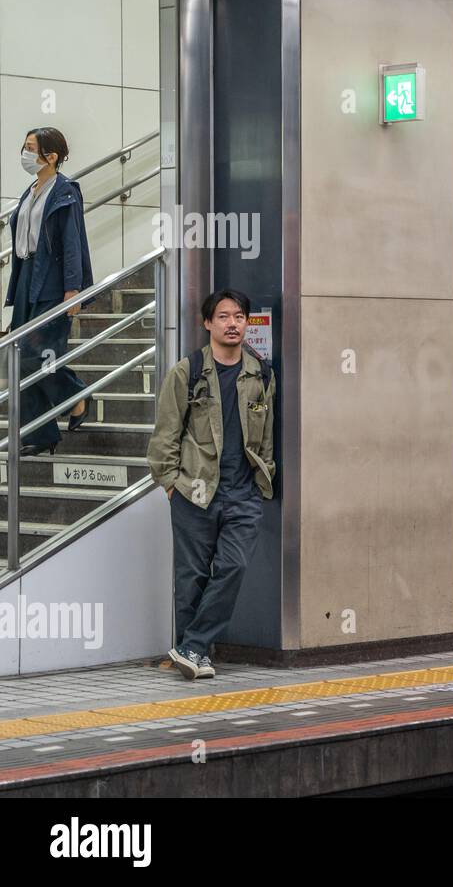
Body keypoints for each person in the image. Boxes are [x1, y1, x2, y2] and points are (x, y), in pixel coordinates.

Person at [146, 289, 275, 680]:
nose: (232, 323)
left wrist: (263, 473)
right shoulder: (186, 372)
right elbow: (165, 434)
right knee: (192, 577)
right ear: (207, 323)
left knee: (234, 566)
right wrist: (170, 484)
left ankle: (192, 646)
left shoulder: (261, 373)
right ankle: (196, 654)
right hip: (193, 491)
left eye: (239, 316)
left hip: (242, 494)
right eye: (223, 317)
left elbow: (265, 433)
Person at [4, 128, 93, 454]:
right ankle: (39, 435)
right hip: (28, 277)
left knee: (36, 353)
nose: (24, 154)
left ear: (50, 156)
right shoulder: (32, 189)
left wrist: (73, 288)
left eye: (30, 148)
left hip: (54, 282)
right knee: (19, 355)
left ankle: (76, 395)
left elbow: (73, 243)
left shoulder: (64, 191)